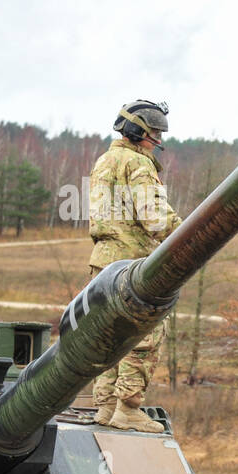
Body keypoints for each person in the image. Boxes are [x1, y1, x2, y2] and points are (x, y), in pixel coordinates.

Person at [87, 99, 182, 433]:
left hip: (103, 264)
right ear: (137, 131)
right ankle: (127, 407)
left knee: (106, 335)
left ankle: (106, 405)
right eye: (154, 133)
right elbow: (155, 218)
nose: (157, 140)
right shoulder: (138, 164)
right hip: (132, 266)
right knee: (143, 332)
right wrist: (188, 231)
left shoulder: (105, 160)